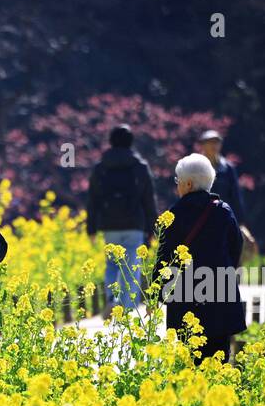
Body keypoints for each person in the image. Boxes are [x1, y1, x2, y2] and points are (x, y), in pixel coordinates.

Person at [152, 154, 245, 363]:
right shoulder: (224, 211)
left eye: (178, 181)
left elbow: (164, 258)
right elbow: (236, 246)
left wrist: (156, 294)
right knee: (219, 357)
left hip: (185, 298)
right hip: (219, 293)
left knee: (190, 358)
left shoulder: (174, 214)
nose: (177, 186)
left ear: (188, 184)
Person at [86, 125, 158, 317]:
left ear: (110, 141)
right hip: (134, 224)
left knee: (112, 264)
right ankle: (125, 308)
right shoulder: (140, 166)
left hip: (109, 224)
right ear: (131, 142)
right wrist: (153, 227)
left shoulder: (101, 167)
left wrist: (91, 228)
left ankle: (112, 300)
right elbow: (148, 199)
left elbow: (93, 199)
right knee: (131, 264)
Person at [196, 129, 256, 260]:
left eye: (217, 142)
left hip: (224, 219)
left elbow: (236, 197)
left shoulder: (228, 168)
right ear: (203, 144)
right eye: (210, 142)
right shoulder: (195, 166)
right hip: (200, 219)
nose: (214, 145)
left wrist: (241, 223)